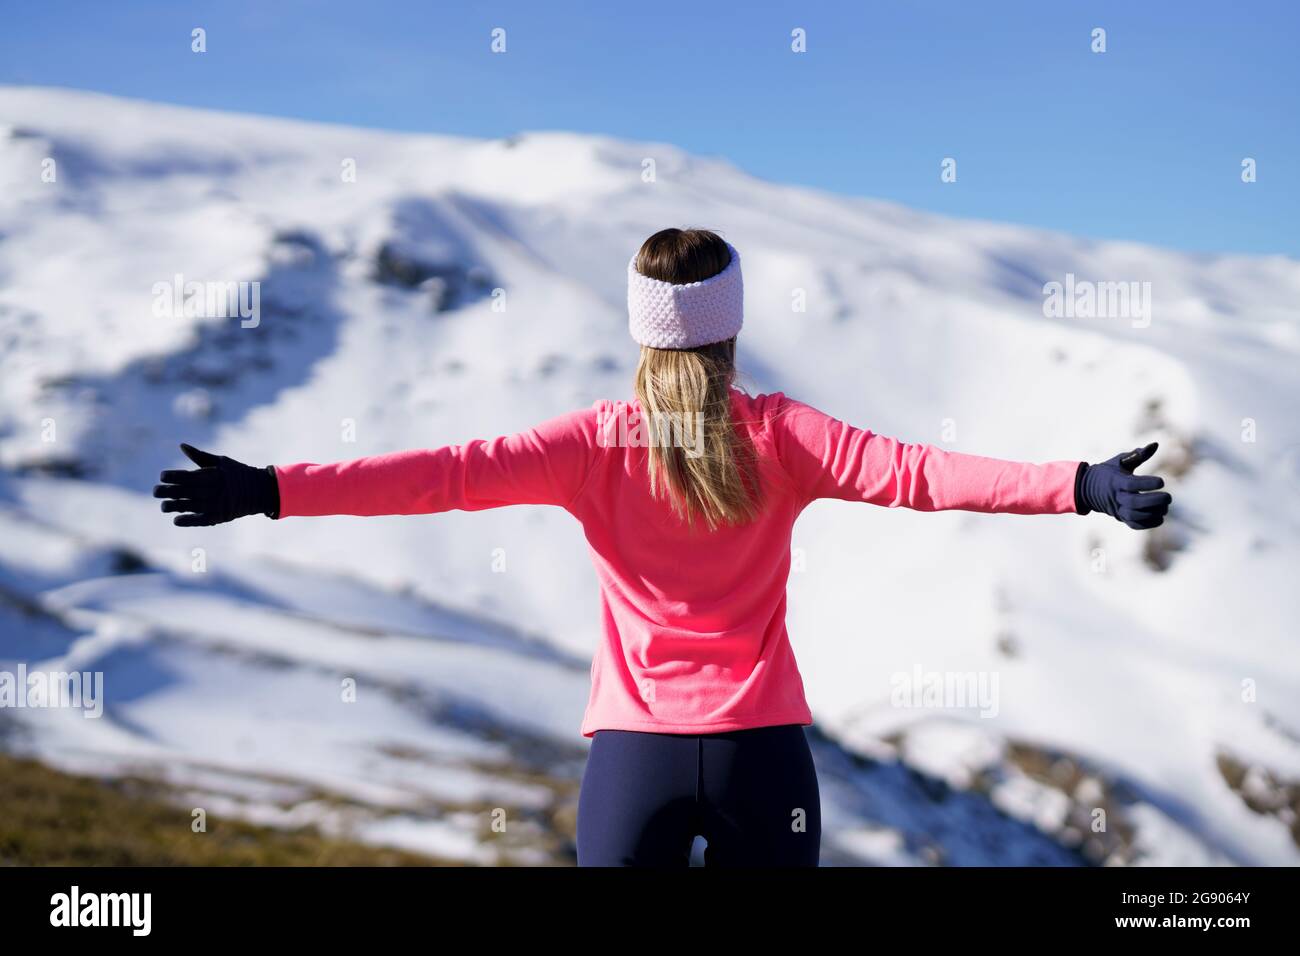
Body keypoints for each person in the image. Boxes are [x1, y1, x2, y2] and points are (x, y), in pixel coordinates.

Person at [154, 227, 1171, 866]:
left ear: (642, 334)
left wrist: (275, 488)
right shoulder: (782, 434)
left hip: (630, 762)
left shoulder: (588, 444)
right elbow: (921, 473)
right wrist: (1076, 483)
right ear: (730, 329)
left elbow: (440, 473)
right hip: (760, 757)